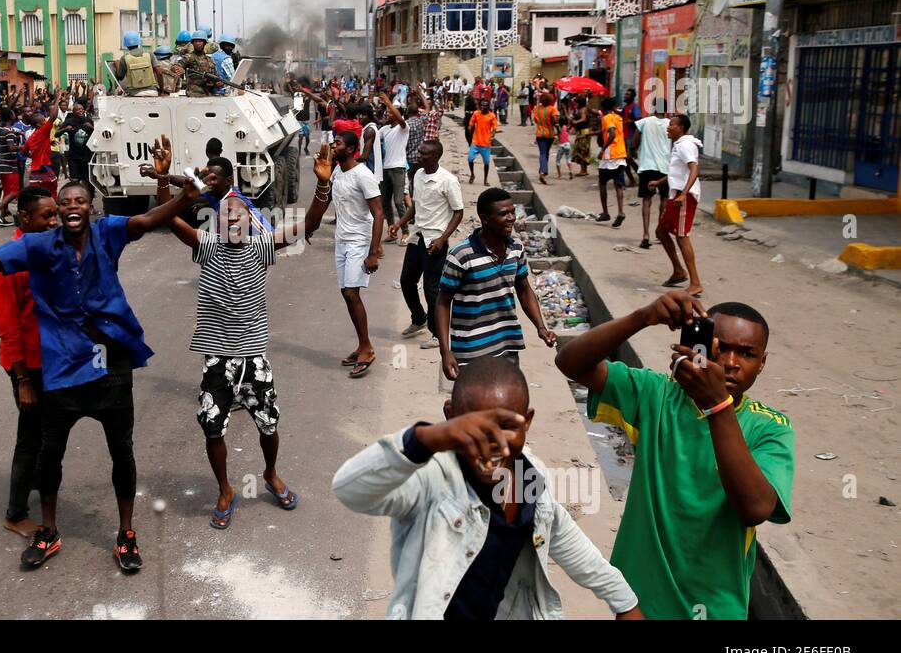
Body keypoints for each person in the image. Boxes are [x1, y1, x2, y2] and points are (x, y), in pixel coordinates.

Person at [0, 175, 203, 572]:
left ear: (91, 207)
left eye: (80, 200)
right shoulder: (36, 246)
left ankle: (126, 533)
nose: (72, 207)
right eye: (65, 201)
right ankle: (49, 531)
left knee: (121, 452)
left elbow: (146, 220)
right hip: (64, 367)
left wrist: (181, 199)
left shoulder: (108, 233)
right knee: (50, 455)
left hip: (112, 366)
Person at [332, 356, 643, 620]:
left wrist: (624, 600)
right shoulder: (431, 481)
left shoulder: (529, 478)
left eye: (507, 426)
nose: (492, 442)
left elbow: (567, 540)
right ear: (450, 417)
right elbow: (351, 489)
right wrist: (425, 439)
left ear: (527, 422)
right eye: (476, 426)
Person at [555, 292, 794, 619]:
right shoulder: (656, 395)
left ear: (762, 363)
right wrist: (641, 317)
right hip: (639, 604)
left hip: (715, 609)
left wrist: (717, 405)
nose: (731, 362)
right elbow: (570, 362)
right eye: (720, 347)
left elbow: (755, 508)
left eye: (747, 354)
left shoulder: (770, 427)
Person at [146, 135, 305, 530]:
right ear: (216, 221)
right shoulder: (207, 246)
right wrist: (162, 180)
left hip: (255, 357)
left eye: (240, 216)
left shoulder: (259, 248)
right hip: (218, 357)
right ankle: (225, 489)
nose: (233, 219)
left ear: (248, 222)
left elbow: (309, 226)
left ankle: (270, 474)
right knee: (211, 425)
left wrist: (322, 186)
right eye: (226, 216)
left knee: (268, 423)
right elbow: (167, 218)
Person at [0, 185, 60, 540]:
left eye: (55, 215)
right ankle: (15, 513)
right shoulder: (10, 259)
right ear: (24, 218)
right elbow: (8, 327)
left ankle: (37, 478)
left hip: (50, 359)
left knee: (48, 431)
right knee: (30, 437)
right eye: (46, 216)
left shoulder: (49, 248)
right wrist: (23, 381)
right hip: (26, 365)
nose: (54, 222)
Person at [435, 187, 556, 381]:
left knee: (506, 405)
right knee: (476, 408)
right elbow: (442, 303)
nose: (511, 218)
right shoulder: (461, 255)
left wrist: (541, 327)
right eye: (503, 214)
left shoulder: (516, 248)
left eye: (512, 212)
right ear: (485, 219)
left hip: (508, 344)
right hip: (471, 351)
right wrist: (445, 351)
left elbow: (524, 290)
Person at [303, 130, 384, 380]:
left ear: (350, 149)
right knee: (346, 293)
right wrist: (310, 225)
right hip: (342, 241)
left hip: (359, 241)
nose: (332, 145)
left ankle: (367, 348)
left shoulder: (363, 175)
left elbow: (378, 213)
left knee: (351, 292)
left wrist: (373, 252)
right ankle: (362, 345)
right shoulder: (337, 172)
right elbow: (325, 201)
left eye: (337, 143)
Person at [390, 139, 463, 349]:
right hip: (417, 236)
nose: (418, 157)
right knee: (406, 281)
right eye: (419, 153)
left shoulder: (448, 180)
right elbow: (415, 206)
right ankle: (419, 318)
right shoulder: (418, 175)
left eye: (423, 154)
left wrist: (442, 239)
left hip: (435, 241)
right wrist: (399, 223)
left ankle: (437, 333)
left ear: (435, 157)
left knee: (432, 290)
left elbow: (458, 212)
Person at [652, 114, 704, 296]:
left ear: (681, 128)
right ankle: (678, 271)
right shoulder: (679, 145)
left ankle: (696, 283)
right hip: (676, 195)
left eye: (672, 125)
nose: (668, 128)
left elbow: (694, 169)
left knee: (682, 237)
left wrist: (683, 194)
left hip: (684, 197)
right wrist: (660, 181)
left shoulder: (686, 146)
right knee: (661, 231)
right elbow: (678, 172)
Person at [633, 100, 672, 251]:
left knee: (647, 200)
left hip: (647, 166)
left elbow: (634, 143)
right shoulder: (671, 123)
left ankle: (645, 234)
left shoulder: (644, 122)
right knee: (664, 199)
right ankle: (659, 232)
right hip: (665, 167)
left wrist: (636, 150)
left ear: (654, 108)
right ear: (666, 109)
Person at [376, 93, 410, 246]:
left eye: (390, 113)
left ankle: (406, 231)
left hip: (398, 168)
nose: (387, 114)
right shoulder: (384, 129)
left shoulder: (403, 128)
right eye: (387, 112)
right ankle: (392, 231)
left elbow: (401, 119)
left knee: (398, 201)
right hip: (385, 168)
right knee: (385, 202)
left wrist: (389, 103)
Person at [596, 102, 628, 228]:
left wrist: (603, 149)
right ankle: (620, 211)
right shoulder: (618, 117)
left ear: (604, 109)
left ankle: (605, 212)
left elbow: (612, 133)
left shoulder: (607, 117)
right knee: (618, 185)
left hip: (610, 156)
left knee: (602, 183)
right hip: (621, 154)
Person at [112, 31, 162, 96]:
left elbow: (120, 77)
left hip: (134, 93)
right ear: (139, 42)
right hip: (152, 92)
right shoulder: (149, 54)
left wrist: (117, 65)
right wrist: (161, 90)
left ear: (126, 45)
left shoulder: (124, 58)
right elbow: (159, 73)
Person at [172, 29, 221, 96]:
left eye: (200, 41)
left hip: (209, 95)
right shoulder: (189, 57)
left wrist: (218, 83)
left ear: (204, 43)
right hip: (194, 95)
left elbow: (216, 77)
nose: (198, 43)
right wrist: (179, 69)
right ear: (192, 43)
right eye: (196, 41)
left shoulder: (210, 60)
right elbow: (175, 66)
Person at [466, 99, 498, 185]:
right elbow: (471, 124)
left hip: (485, 143)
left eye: (485, 105)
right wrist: (469, 130)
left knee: (486, 162)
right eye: (482, 105)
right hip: (475, 142)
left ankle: (485, 180)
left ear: (488, 107)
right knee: (470, 159)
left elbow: (494, 127)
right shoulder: (476, 113)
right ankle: (472, 175)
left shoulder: (492, 116)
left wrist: (492, 135)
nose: (483, 107)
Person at [532, 92, 559, 185]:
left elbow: (535, 120)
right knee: (546, 153)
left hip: (540, 134)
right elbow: (556, 120)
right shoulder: (552, 109)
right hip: (550, 135)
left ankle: (542, 172)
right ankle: (543, 172)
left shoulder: (537, 109)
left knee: (543, 153)